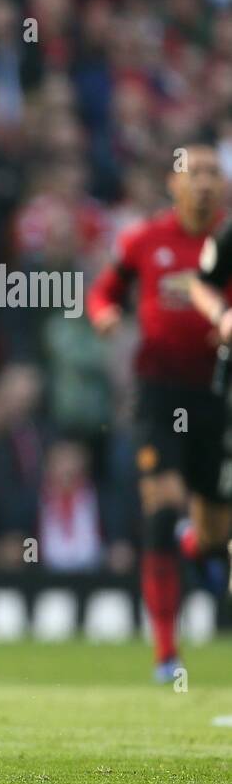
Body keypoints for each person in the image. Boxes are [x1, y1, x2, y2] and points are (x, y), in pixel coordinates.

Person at [86, 138, 230, 683]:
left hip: (220, 393)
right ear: (173, 183)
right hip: (159, 391)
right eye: (194, 172)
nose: (205, 181)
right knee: (163, 508)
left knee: (216, 533)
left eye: (214, 172)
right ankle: (167, 657)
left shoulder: (229, 241)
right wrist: (103, 315)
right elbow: (103, 292)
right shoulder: (144, 240)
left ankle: (201, 545)